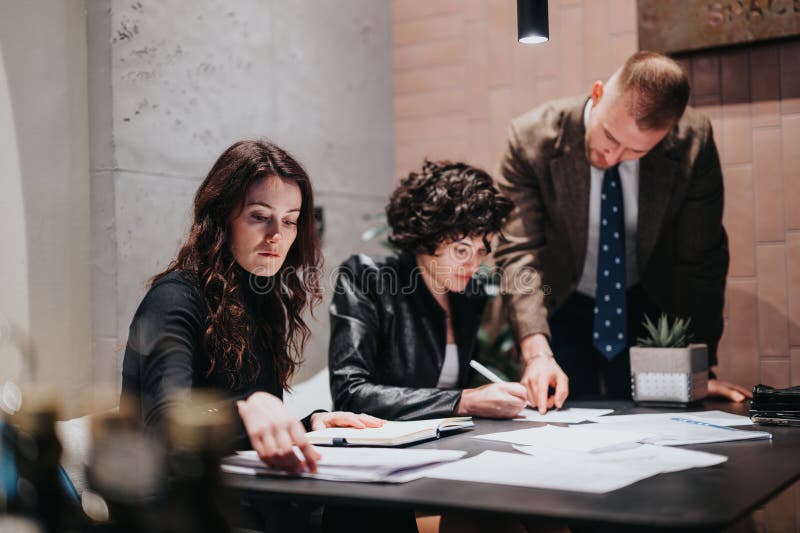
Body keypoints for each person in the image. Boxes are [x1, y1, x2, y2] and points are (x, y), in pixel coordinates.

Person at [494, 51, 752, 412]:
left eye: (635, 150)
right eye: (610, 136)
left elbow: (701, 259)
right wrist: (536, 351)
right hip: (559, 305)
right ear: (597, 94)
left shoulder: (693, 142)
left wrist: (697, 365)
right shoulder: (531, 138)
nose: (612, 157)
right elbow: (518, 251)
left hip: (648, 306)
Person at [120, 139, 382, 476]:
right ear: (221, 217)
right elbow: (165, 422)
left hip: (252, 491)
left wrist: (310, 424)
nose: (277, 235)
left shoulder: (261, 298)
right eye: (260, 216)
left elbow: (241, 435)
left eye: (290, 221)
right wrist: (246, 408)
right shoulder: (174, 298)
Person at [329, 160, 527, 420]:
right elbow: (349, 394)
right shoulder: (367, 278)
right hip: (381, 446)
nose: (474, 264)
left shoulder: (469, 294)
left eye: (481, 251)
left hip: (447, 442)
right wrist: (465, 400)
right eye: (461, 250)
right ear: (427, 236)